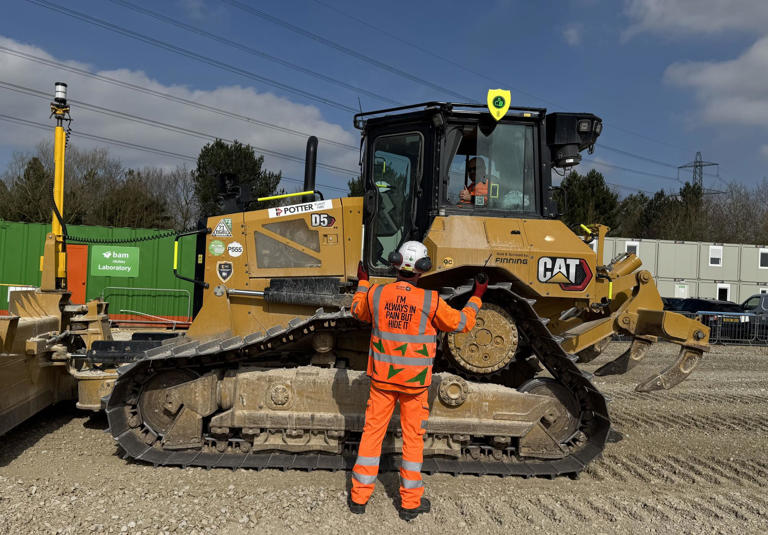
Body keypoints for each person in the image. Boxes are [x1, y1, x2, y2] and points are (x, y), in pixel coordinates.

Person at [348, 241, 488, 521]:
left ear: (396, 263)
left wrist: (363, 283)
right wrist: (477, 296)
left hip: (382, 381)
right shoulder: (430, 301)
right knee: (413, 440)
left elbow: (357, 311)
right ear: (422, 269)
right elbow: (462, 323)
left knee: (372, 434)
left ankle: (358, 499)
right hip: (415, 386)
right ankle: (409, 504)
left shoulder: (377, 294)